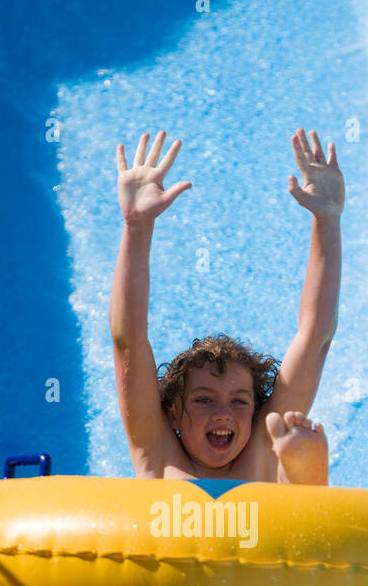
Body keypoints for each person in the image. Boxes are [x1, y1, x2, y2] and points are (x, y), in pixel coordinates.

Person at [109, 128, 344, 484]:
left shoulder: (264, 444)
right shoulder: (156, 451)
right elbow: (128, 341)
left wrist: (328, 220)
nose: (223, 413)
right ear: (172, 414)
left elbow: (315, 338)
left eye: (239, 401)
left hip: (268, 535)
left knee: (286, 440)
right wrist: (136, 226)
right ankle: (305, 484)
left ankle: (306, 478)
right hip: (188, 537)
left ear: (253, 415)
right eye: (204, 400)